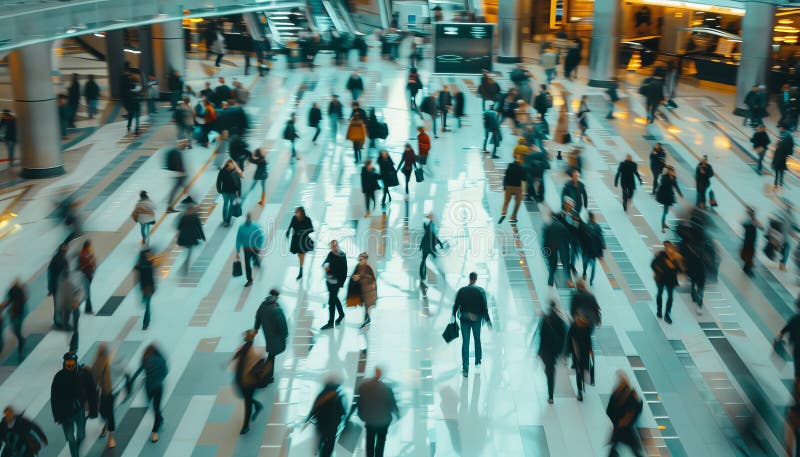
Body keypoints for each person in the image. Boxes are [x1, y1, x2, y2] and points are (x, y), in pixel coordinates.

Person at [51, 352, 97, 457]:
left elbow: (92, 392)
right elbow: (54, 398)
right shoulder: (59, 377)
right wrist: (57, 416)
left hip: (79, 409)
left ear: (76, 362)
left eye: (72, 362)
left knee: (81, 435)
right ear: (64, 362)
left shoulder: (83, 374)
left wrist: (93, 409)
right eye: (68, 362)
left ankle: (75, 451)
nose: (70, 364)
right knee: (70, 438)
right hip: (65, 413)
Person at [353, 367, 399, 457]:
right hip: (384, 420)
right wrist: (397, 415)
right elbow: (392, 404)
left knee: (370, 442)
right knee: (381, 443)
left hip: (370, 420)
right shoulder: (386, 388)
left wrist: (360, 415)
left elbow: (358, 402)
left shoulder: (364, 387)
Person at [452, 272, 491, 377]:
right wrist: (487, 320)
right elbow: (485, 307)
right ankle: (478, 361)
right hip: (476, 319)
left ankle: (465, 367)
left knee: (465, 342)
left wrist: (453, 316)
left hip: (464, 319)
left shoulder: (462, 290)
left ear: (470, 279)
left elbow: (456, 305)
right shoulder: (481, 290)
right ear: (476, 279)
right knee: (477, 339)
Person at [129, 345, 168, 443]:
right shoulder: (161, 360)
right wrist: (159, 379)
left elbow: (139, 370)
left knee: (153, 407)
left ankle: (155, 430)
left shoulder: (145, 359)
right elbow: (165, 371)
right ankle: (158, 420)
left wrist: (131, 381)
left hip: (148, 387)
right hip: (158, 387)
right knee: (156, 408)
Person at [232, 330, 264, 435]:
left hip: (248, 382)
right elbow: (238, 355)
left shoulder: (252, 352)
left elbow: (259, 361)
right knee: (246, 398)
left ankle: (246, 426)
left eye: (246, 337)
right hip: (240, 379)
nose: (244, 338)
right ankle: (258, 405)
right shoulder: (244, 347)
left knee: (247, 402)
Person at [306, 375, 346, 457]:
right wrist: (343, 418)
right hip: (332, 425)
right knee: (329, 443)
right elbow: (342, 410)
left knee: (322, 440)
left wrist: (308, 419)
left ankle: (320, 452)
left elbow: (315, 407)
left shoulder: (322, 394)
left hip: (321, 424)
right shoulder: (337, 394)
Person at [607, 371, 644, 457]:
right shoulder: (632, 395)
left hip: (619, 428)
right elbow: (637, 409)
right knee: (634, 449)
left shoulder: (615, 394)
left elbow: (608, 411)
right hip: (626, 428)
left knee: (614, 448)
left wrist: (616, 422)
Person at [253, 288, 289, 378]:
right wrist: (285, 335)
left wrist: (256, 329)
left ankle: (268, 373)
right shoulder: (276, 309)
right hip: (276, 336)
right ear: (276, 297)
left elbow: (258, 317)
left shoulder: (263, 305)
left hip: (268, 334)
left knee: (271, 353)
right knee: (272, 354)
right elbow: (282, 325)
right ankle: (267, 374)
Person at [538, 299, 567, 404]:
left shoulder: (545, 319)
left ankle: (547, 371)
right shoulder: (559, 320)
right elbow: (564, 337)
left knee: (548, 370)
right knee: (551, 373)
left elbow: (540, 335)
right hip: (553, 352)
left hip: (544, 351)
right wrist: (561, 352)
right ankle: (551, 396)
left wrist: (539, 350)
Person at [91, 344, 116, 448]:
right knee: (105, 413)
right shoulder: (98, 364)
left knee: (108, 414)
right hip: (105, 393)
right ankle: (107, 428)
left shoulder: (106, 363)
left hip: (109, 393)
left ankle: (110, 437)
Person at [651, 241, 682, 324]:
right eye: (668, 247)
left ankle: (667, 314)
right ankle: (659, 309)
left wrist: (674, 266)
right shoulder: (661, 255)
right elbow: (653, 264)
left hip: (671, 280)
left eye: (671, 247)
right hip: (661, 278)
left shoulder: (676, 258)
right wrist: (659, 271)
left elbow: (680, 270)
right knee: (660, 293)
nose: (670, 249)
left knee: (670, 297)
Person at [56, 264, 83, 352]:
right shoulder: (65, 286)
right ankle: (73, 344)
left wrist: (75, 301)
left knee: (72, 327)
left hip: (70, 308)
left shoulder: (65, 286)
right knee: (73, 327)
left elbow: (60, 299)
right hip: (71, 308)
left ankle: (73, 345)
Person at [321, 240, 347, 330]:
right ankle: (342, 314)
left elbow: (343, 271)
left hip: (336, 282)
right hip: (329, 282)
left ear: (338, 246)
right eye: (332, 246)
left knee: (331, 302)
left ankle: (330, 323)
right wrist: (325, 267)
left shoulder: (342, 256)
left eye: (335, 246)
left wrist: (341, 283)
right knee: (334, 298)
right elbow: (324, 264)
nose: (334, 248)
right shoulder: (330, 254)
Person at [543, 206, 571, 287]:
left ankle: (550, 282)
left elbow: (544, 240)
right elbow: (568, 237)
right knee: (565, 264)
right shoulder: (562, 227)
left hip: (551, 248)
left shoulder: (547, 227)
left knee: (552, 267)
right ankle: (569, 281)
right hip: (562, 247)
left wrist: (545, 250)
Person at [236, 213, 265, 287]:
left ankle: (258, 264)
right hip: (246, 249)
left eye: (249, 218)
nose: (248, 219)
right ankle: (249, 280)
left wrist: (258, 247)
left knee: (255, 261)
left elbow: (261, 237)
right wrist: (238, 250)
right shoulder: (241, 227)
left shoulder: (255, 226)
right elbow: (238, 239)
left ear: (251, 218)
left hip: (255, 249)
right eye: (247, 217)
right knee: (247, 265)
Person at [286, 207, 314, 280]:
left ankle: (301, 271)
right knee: (299, 254)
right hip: (295, 239)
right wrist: (288, 231)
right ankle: (301, 268)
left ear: (301, 212)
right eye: (296, 212)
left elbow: (311, 229)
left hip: (303, 239)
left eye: (297, 212)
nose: (296, 214)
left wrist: (302, 232)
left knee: (301, 254)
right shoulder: (294, 218)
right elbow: (291, 225)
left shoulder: (307, 219)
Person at [350, 252, 378, 328]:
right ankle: (367, 319)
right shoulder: (358, 266)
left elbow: (371, 278)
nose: (360, 260)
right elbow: (354, 276)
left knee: (366, 305)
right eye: (360, 258)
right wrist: (355, 278)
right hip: (361, 290)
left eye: (362, 258)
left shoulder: (368, 267)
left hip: (368, 290)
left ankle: (366, 320)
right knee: (365, 305)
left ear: (365, 259)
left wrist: (360, 277)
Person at [176, 203, 206, 274]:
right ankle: (185, 267)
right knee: (189, 253)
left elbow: (179, 228)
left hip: (183, 237)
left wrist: (178, 238)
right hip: (192, 237)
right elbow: (199, 228)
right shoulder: (195, 217)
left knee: (188, 252)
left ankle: (185, 267)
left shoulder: (183, 217)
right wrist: (203, 237)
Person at [1, 280, 27, 360]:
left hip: (17, 314)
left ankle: (21, 342)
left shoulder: (16, 292)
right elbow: (8, 302)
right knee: (15, 329)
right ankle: (21, 340)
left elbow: (8, 302)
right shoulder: (14, 291)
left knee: (16, 329)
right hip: (15, 314)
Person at [419, 212, 444, 289]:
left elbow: (423, 240)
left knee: (424, 260)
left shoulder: (427, 232)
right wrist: (440, 244)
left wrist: (420, 247)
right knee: (434, 259)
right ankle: (439, 272)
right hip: (431, 248)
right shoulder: (430, 231)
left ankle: (423, 274)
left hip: (426, 248)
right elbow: (435, 238)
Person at [498, 156, 525, 224]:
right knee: (518, 202)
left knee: (506, 201)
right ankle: (513, 216)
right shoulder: (521, 168)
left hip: (508, 187)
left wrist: (504, 186)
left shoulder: (509, 168)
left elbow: (505, 178)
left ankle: (503, 212)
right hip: (517, 187)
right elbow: (524, 179)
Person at [580, 212, 605, 285]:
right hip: (593, 251)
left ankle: (585, 274)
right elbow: (600, 238)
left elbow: (581, 238)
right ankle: (590, 280)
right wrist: (602, 250)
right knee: (593, 266)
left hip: (586, 250)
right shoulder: (594, 226)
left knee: (585, 263)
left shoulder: (586, 226)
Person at [655, 166, 682, 232]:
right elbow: (663, 184)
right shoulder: (664, 177)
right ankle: (662, 226)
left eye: (673, 171)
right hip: (664, 195)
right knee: (665, 211)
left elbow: (676, 186)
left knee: (666, 211)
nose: (672, 172)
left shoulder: (673, 178)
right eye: (671, 171)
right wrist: (671, 178)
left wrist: (680, 194)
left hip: (669, 196)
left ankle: (663, 224)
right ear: (669, 171)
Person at [165, 140, 190, 212]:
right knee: (176, 190)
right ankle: (169, 206)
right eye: (184, 146)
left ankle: (189, 198)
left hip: (178, 174)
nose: (184, 148)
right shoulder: (176, 153)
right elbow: (178, 164)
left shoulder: (174, 151)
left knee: (183, 187)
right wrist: (182, 172)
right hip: (178, 174)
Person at [47, 244, 68, 328]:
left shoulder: (54, 259)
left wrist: (50, 288)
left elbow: (49, 275)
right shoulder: (63, 260)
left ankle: (57, 321)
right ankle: (59, 322)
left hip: (55, 287)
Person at [135, 248, 156, 330]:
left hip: (144, 287)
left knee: (147, 305)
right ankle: (146, 323)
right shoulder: (149, 264)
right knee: (148, 305)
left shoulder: (140, 264)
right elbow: (151, 277)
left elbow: (139, 276)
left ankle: (146, 322)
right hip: (148, 287)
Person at [217, 159, 242, 227]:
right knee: (225, 205)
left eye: (233, 166)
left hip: (233, 192)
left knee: (231, 206)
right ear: (227, 166)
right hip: (225, 192)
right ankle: (225, 220)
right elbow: (218, 181)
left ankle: (228, 221)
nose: (232, 167)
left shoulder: (235, 171)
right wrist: (219, 190)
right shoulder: (222, 171)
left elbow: (238, 183)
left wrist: (239, 192)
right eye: (230, 166)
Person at [740, 207, 761, 276]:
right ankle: (747, 269)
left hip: (750, 240)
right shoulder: (749, 221)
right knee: (749, 255)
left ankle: (747, 268)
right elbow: (744, 224)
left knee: (749, 255)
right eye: (753, 213)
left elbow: (761, 227)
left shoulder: (751, 220)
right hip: (749, 241)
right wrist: (753, 222)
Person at [77, 240, 96, 314]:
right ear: (86, 247)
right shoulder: (82, 255)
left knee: (86, 293)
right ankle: (88, 309)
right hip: (84, 276)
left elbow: (93, 263)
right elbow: (90, 263)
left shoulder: (89, 254)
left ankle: (85, 308)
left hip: (89, 275)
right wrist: (91, 262)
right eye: (90, 246)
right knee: (87, 293)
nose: (91, 248)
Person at [774, 124, 794, 188]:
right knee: (781, 168)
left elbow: (779, 144)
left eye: (781, 128)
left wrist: (777, 147)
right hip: (783, 154)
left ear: (783, 128)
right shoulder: (786, 135)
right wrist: (789, 153)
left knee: (778, 167)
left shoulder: (784, 135)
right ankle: (780, 181)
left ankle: (777, 182)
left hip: (781, 154)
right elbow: (791, 145)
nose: (780, 129)